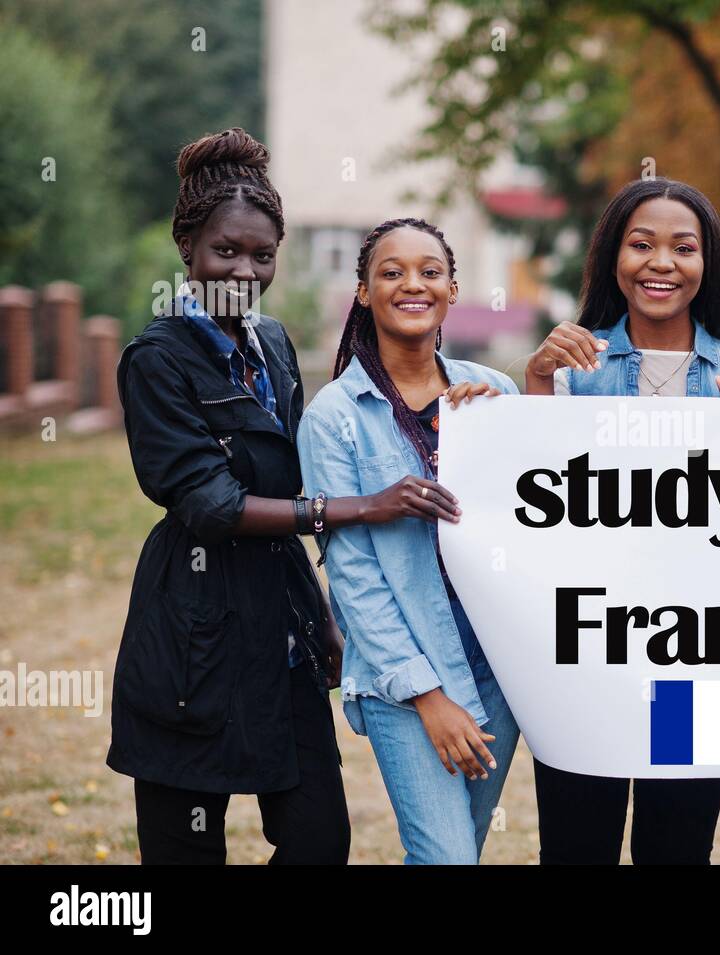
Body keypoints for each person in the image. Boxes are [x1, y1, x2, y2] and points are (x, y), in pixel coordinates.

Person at [110, 128, 411, 864]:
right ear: (188, 246)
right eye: (226, 251)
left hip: (282, 628)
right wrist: (359, 507)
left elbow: (290, 473)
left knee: (319, 840)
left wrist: (325, 621)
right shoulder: (157, 359)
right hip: (193, 631)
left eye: (263, 255)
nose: (244, 270)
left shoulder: (272, 344)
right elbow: (208, 504)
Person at [523, 178, 720, 863]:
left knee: (681, 847)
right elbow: (535, 506)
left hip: (706, 651)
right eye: (642, 244)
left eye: (683, 247)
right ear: (613, 257)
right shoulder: (574, 369)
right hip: (588, 649)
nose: (661, 262)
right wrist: (539, 386)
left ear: (708, 265)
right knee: (578, 846)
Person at [297, 218, 520, 864]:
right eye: (391, 272)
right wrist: (429, 697)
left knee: (459, 854)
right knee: (446, 859)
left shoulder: (491, 391)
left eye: (429, 270)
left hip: (494, 666)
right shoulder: (335, 417)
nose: (411, 283)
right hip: (404, 675)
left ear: (453, 287)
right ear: (363, 292)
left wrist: (501, 429)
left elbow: (529, 522)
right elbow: (354, 577)